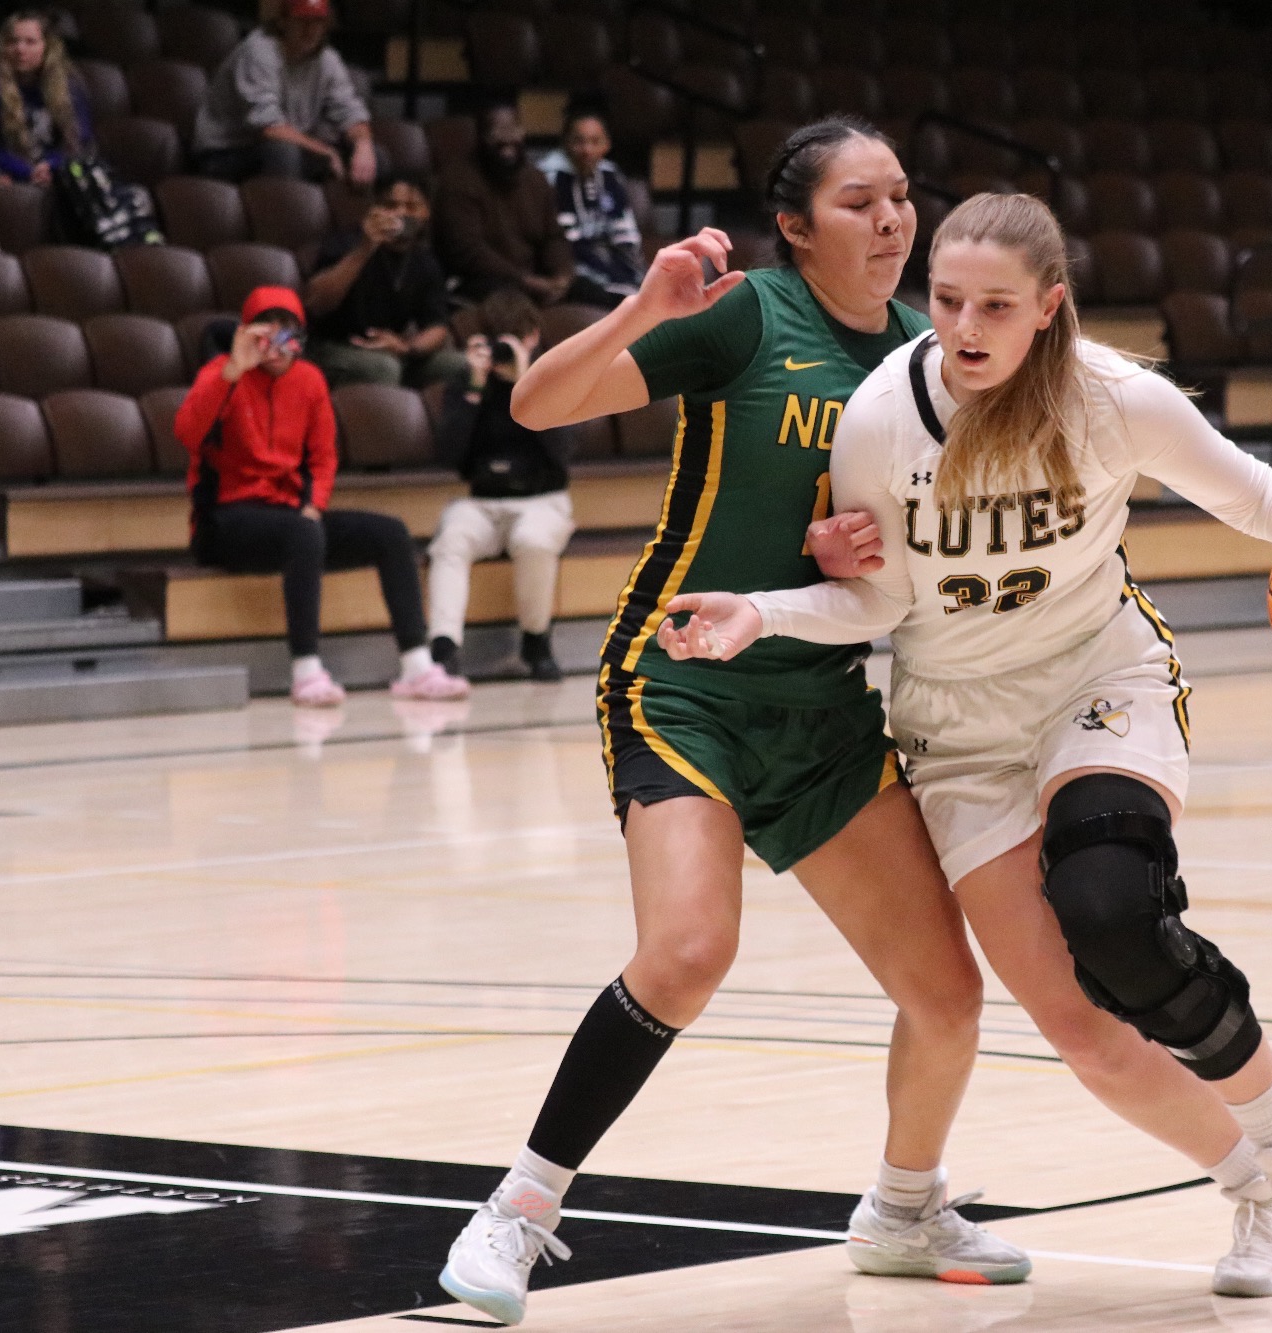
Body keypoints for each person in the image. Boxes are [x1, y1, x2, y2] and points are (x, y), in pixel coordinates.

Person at [660, 192, 1272, 1298]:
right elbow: (879, 605)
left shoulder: (1113, 398)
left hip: (1095, 682)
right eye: (949, 299)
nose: (964, 326)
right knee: (1081, 1029)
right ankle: (1255, 1192)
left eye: (995, 306)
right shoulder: (880, 416)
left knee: (1113, 910)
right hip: (956, 730)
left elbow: (1255, 497)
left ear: (1047, 308)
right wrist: (765, 612)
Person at [433, 118, 1026, 1327]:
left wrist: (839, 556)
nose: (893, 220)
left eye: (902, 197)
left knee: (948, 996)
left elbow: (909, 551)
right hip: (682, 679)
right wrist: (645, 307)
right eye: (861, 202)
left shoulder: (922, 353)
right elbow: (541, 403)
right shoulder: (748, 314)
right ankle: (520, 1207)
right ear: (798, 228)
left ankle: (904, 1210)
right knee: (690, 950)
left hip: (819, 701)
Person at [174, 286, 470, 707]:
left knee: (389, 533)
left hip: (293, 516)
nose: (275, 340)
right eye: (265, 328)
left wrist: (314, 505)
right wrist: (233, 371)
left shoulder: (310, 381)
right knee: (302, 534)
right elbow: (187, 433)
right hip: (226, 520)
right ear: (245, 333)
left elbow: (323, 457)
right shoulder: (222, 373)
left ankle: (417, 664)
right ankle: (307, 670)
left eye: (285, 329)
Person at [426, 288, 576, 684]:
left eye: (516, 339)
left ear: (532, 338)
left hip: (543, 499)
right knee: (450, 540)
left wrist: (527, 383)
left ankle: (536, 640)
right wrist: (474, 389)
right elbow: (450, 457)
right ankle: (443, 649)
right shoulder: (468, 382)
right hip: (483, 501)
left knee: (533, 540)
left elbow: (563, 452)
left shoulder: (550, 376)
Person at [305, 174, 466, 389]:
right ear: (375, 208)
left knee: (462, 364)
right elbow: (316, 303)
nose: (400, 213)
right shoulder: (347, 241)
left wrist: (406, 347)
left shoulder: (425, 261)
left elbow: (437, 327)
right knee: (384, 368)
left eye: (411, 206)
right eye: (390, 205)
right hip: (333, 347)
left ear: (425, 212)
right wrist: (365, 247)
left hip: (390, 351)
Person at [193, 0, 377, 185]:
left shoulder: (327, 59)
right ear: (283, 21)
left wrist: (363, 145)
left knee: (372, 159)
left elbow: (350, 111)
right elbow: (267, 126)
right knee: (284, 153)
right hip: (225, 151)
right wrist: (324, 150)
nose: (311, 30)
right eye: (303, 21)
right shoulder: (259, 51)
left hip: (290, 145)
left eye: (318, 22)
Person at [435, 101, 573, 304]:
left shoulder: (536, 179)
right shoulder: (457, 181)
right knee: (508, 298)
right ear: (481, 136)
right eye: (496, 132)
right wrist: (527, 281)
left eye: (513, 130)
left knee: (592, 294)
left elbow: (554, 236)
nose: (506, 140)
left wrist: (562, 275)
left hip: (536, 277)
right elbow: (468, 252)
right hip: (482, 280)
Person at [542, 109, 648, 308]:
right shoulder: (551, 177)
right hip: (575, 272)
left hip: (615, 270)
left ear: (607, 145)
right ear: (566, 143)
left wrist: (639, 276)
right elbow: (562, 243)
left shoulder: (611, 175)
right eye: (579, 141)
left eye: (595, 141)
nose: (586, 150)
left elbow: (626, 236)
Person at [0, 10, 92, 186]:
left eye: (30, 42)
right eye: (12, 42)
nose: (19, 49)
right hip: (13, 177)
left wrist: (51, 165)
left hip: (60, 174)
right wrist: (28, 172)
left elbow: (80, 138)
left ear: (47, 46)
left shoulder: (69, 86)